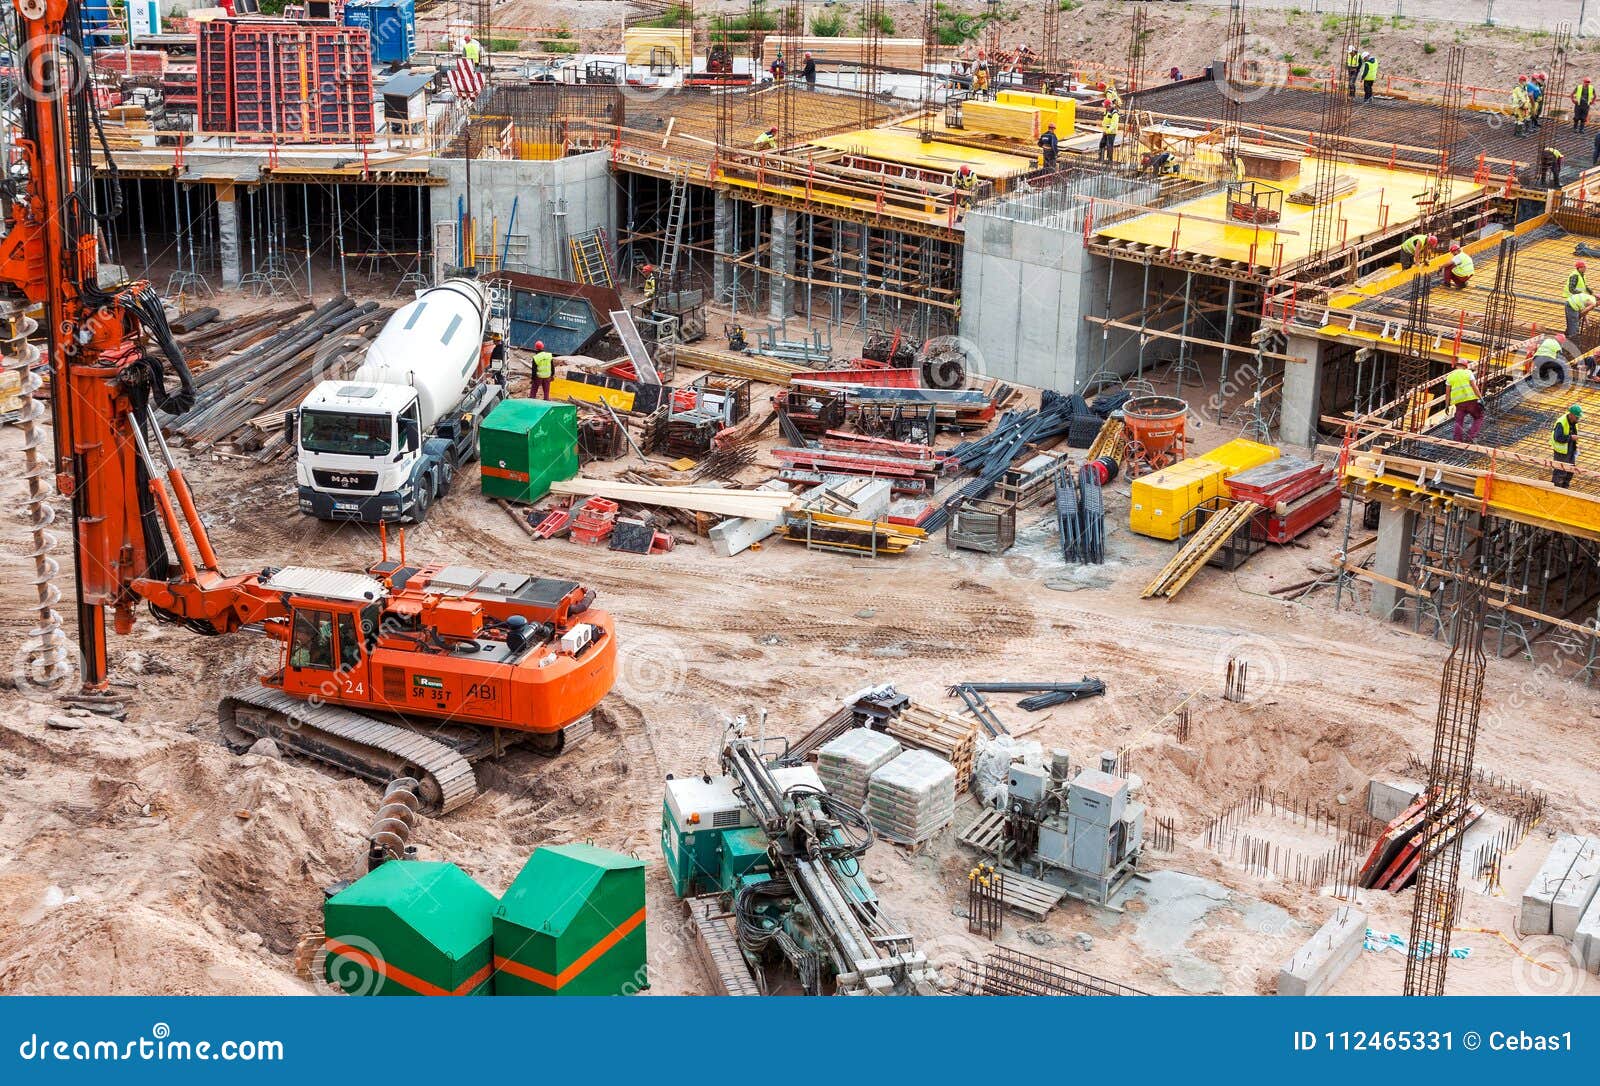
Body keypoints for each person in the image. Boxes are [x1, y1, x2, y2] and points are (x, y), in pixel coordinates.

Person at [1445, 359, 1484, 444]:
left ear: (1456, 366)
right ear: (1465, 366)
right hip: (1471, 401)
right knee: (1479, 417)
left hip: (1459, 403)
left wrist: (1447, 406)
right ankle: (1471, 437)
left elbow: (1447, 394)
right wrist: (1481, 398)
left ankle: (1457, 440)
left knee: (1458, 421)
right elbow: (1474, 387)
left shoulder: (1450, 376)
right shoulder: (1468, 373)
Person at [1552, 404, 1581, 488]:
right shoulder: (1561, 423)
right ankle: (1556, 489)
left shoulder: (1574, 422)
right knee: (1561, 471)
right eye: (1577, 417)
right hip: (1561, 452)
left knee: (1570, 471)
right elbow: (1557, 437)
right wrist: (1570, 438)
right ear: (1571, 415)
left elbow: (1573, 434)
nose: (1578, 418)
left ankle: (1564, 489)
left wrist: (1576, 446)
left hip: (1570, 450)